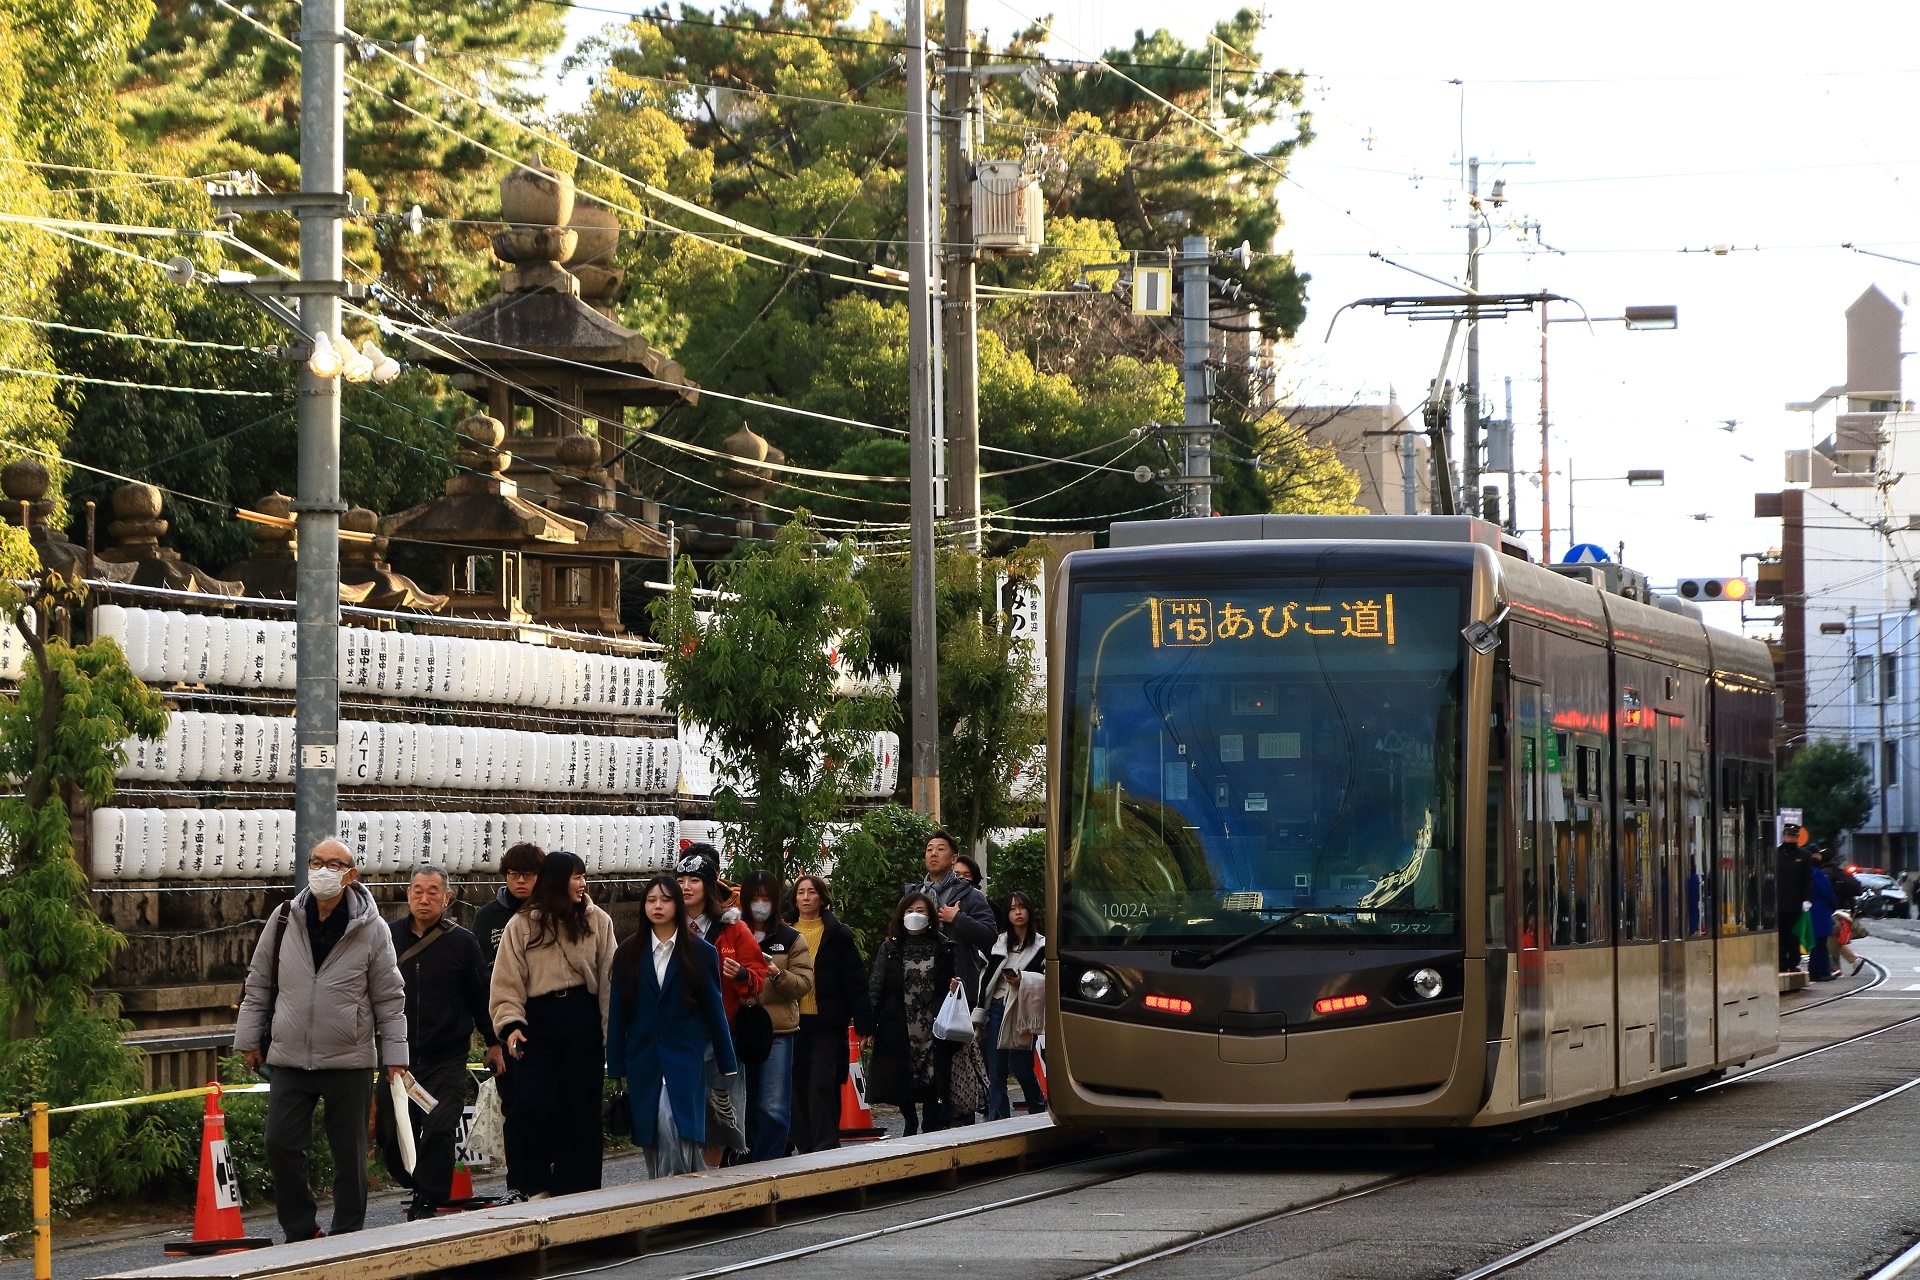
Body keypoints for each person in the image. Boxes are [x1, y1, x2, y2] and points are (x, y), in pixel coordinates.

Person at [234, 839, 408, 1242]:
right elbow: (258, 982)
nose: (323, 870)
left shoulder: (372, 928)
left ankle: (347, 1233)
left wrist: (395, 1057)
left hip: (349, 1058)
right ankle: (300, 1230)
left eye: (334, 864)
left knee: (349, 1155)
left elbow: (389, 997)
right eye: (317, 862)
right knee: (280, 1142)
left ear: (351, 875)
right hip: (291, 1055)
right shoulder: (282, 918)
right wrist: (249, 1039)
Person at [490, 850, 617, 1200]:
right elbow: (506, 981)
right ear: (559, 879)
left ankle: (580, 1190)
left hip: (583, 1017)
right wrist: (510, 1024)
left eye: (583, 876)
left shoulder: (598, 920)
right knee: (531, 1106)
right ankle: (534, 1187)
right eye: (576, 876)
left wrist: (611, 1034)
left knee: (582, 1109)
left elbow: (609, 982)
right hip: (537, 1021)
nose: (583, 884)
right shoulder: (522, 923)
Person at [376, 865, 502, 1220]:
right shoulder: (387, 937)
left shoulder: (462, 942)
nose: (424, 898)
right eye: (418, 890)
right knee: (390, 1131)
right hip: (397, 1059)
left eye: (433, 891)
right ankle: (414, 1182)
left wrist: (493, 1041)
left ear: (447, 898)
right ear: (407, 895)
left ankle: (427, 1200)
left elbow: (480, 996)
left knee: (439, 1129)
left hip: (446, 1057)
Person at [608, 876, 739, 1178]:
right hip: (643, 1056)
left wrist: (726, 1059)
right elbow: (618, 1013)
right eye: (652, 899)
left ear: (677, 905)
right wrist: (615, 1063)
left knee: (674, 1122)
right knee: (652, 1129)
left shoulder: (700, 952)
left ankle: (673, 1192)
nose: (658, 906)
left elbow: (713, 1008)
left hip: (684, 1054)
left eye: (666, 899)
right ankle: (673, 1189)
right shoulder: (628, 952)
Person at [676, 846, 767, 1166]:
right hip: (676, 1036)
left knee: (717, 1117)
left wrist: (741, 974)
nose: (685, 886)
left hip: (721, 1034)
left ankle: (711, 1182)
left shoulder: (732, 928)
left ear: (709, 885)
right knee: (676, 1115)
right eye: (681, 879)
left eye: (694, 880)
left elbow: (759, 976)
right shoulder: (665, 927)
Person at [786, 874, 873, 1153]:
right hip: (794, 1022)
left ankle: (826, 1144)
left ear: (822, 898)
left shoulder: (838, 933)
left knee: (822, 1079)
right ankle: (805, 1144)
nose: (806, 897)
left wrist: (864, 1023)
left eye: (812, 892)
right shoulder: (785, 932)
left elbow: (855, 981)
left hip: (827, 1021)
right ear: (794, 898)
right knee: (797, 1082)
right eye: (801, 892)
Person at [918, 832, 996, 1125]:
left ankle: (961, 1124)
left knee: (956, 1061)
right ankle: (930, 1127)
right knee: (928, 1063)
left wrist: (957, 919)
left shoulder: (969, 895)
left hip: (957, 992)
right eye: (929, 849)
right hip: (922, 993)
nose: (933, 854)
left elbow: (989, 936)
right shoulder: (916, 894)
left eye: (940, 849)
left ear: (953, 859)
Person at [867, 890, 956, 1136]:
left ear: (930, 917)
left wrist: (955, 986)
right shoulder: (890, 949)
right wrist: (869, 1026)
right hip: (898, 1021)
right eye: (909, 911)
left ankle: (929, 1126)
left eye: (920, 911)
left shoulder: (945, 948)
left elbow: (953, 983)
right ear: (901, 915)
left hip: (933, 1022)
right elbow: (876, 986)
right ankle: (909, 1122)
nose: (914, 915)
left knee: (932, 1076)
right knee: (900, 1076)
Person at [738, 870, 813, 1163]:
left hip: (778, 1031)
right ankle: (743, 1163)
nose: (760, 904)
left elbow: (804, 985)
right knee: (742, 1103)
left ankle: (767, 1161)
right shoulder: (732, 932)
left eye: (766, 898)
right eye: (754, 898)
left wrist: (777, 974)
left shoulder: (790, 937)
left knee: (773, 1106)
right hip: (739, 1028)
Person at [978, 891, 1046, 1120]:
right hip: (998, 1006)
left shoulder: (1042, 945)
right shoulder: (1000, 942)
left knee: (1022, 1067)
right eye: (1013, 908)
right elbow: (986, 977)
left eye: (1022, 907)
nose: (1018, 912)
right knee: (996, 1069)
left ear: (1030, 910)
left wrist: (1024, 980)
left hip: (1023, 1010)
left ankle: (1037, 1110)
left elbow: (1050, 979)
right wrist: (980, 1009)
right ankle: (997, 1119)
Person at [474, 843, 544, 967]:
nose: (521, 880)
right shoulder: (486, 915)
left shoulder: (551, 912)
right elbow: (478, 962)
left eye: (528, 874)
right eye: (514, 873)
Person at [1776, 828, 1811, 973]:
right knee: (1780, 934)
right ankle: (1781, 961)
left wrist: (1807, 899)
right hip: (1778, 900)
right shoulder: (1776, 853)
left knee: (1794, 934)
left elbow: (1807, 879)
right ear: (1783, 836)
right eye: (1788, 835)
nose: (1790, 838)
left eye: (1793, 836)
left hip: (1795, 901)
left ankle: (1794, 961)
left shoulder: (1804, 855)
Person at [1808, 849, 1838, 982]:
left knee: (1819, 943)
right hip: (1820, 910)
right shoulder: (1817, 872)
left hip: (1809, 909)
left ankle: (1824, 970)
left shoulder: (1805, 871)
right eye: (1818, 853)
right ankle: (1817, 971)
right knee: (1820, 942)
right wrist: (1833, 906)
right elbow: (1827, 892)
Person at [1834, 908, 1866, 977]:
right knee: (1832, 939)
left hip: (1837, 912)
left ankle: (1835, 968)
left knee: (1828, 939)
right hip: (1842, 911)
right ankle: (1835, 968)